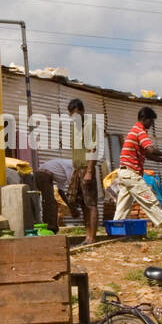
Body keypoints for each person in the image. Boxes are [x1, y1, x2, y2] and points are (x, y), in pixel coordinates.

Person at [114, 107, 162, 238]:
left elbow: (147, 154)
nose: (151, 125)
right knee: (149, 199)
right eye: (151, 121)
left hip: (124, 173)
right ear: (144, 119)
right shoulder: (140, 131)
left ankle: (116, 230)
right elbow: (150, 150)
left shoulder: (134, 130)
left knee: (123, 205)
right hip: (131, 173)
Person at [68, 98, 101, 243]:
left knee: (91, 204)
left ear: (82, 111)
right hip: (78, 170)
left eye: (76, 114)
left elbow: (92, 149)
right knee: (82, 204)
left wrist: (89, 171)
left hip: (86, 170)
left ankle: (92, 237)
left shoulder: (90, 125)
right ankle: (87, 236)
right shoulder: (74, 129)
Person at [33, 157, 75, 233]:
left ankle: (49, 227)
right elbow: (72, 187)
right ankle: (51, 228)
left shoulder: (61, 175)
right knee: (50, 203)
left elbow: (61, 191)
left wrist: (70, 206)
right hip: (43, 175)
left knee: (48, 202)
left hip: (43, 175)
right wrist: (72, 207)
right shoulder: (72, 167)